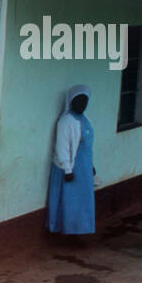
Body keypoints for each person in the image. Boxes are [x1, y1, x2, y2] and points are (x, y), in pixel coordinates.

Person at [46, 85, 96, 238]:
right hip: (70, 166)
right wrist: (67, 170)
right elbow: (62, 147)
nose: (82, 105)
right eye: (79, 101)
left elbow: (87, 145)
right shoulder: (66, 120)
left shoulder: (84, 119)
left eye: (85, 101)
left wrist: (91, 166)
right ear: (71, 102)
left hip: (84, 165)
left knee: (82, 201)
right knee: (70, 201)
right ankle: (67, 233)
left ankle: (79, 231)